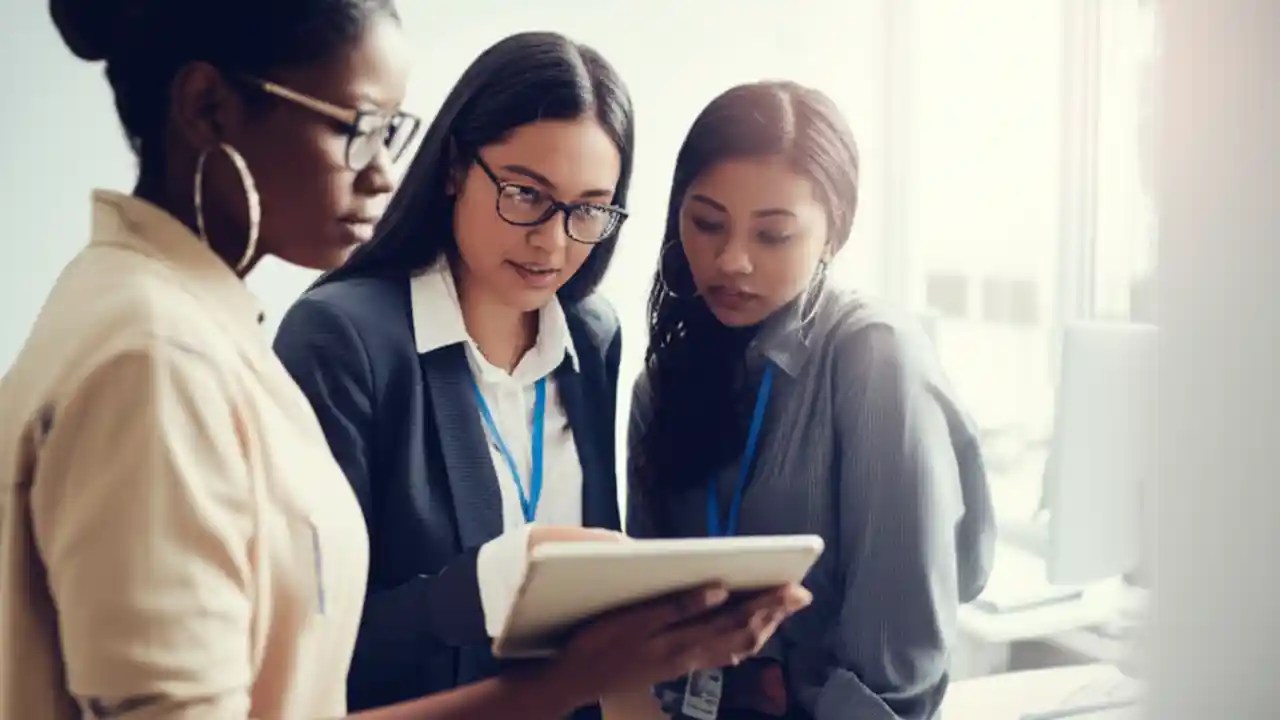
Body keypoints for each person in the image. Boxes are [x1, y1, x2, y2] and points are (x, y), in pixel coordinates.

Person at [0, 3, 809, 718]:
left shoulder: (190, 324)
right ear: (207, 105)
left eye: (590, 210)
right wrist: (543, 656)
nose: (383, 170)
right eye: (357, 126)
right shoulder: (161, 357)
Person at [275, 30, 790, 717]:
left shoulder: (590, 334)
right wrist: (490, 582)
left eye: (588, 210)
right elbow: (302, 646)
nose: (552, 241)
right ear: (456, 166)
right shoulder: (343, 341)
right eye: (525, 194)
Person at [626, 81, 996, 719]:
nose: (731, 260)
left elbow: (898, 665)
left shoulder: (873, 358)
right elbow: (648, 622)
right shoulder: (662, 384)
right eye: (707, 223)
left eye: (773, 236)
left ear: (834, 233)